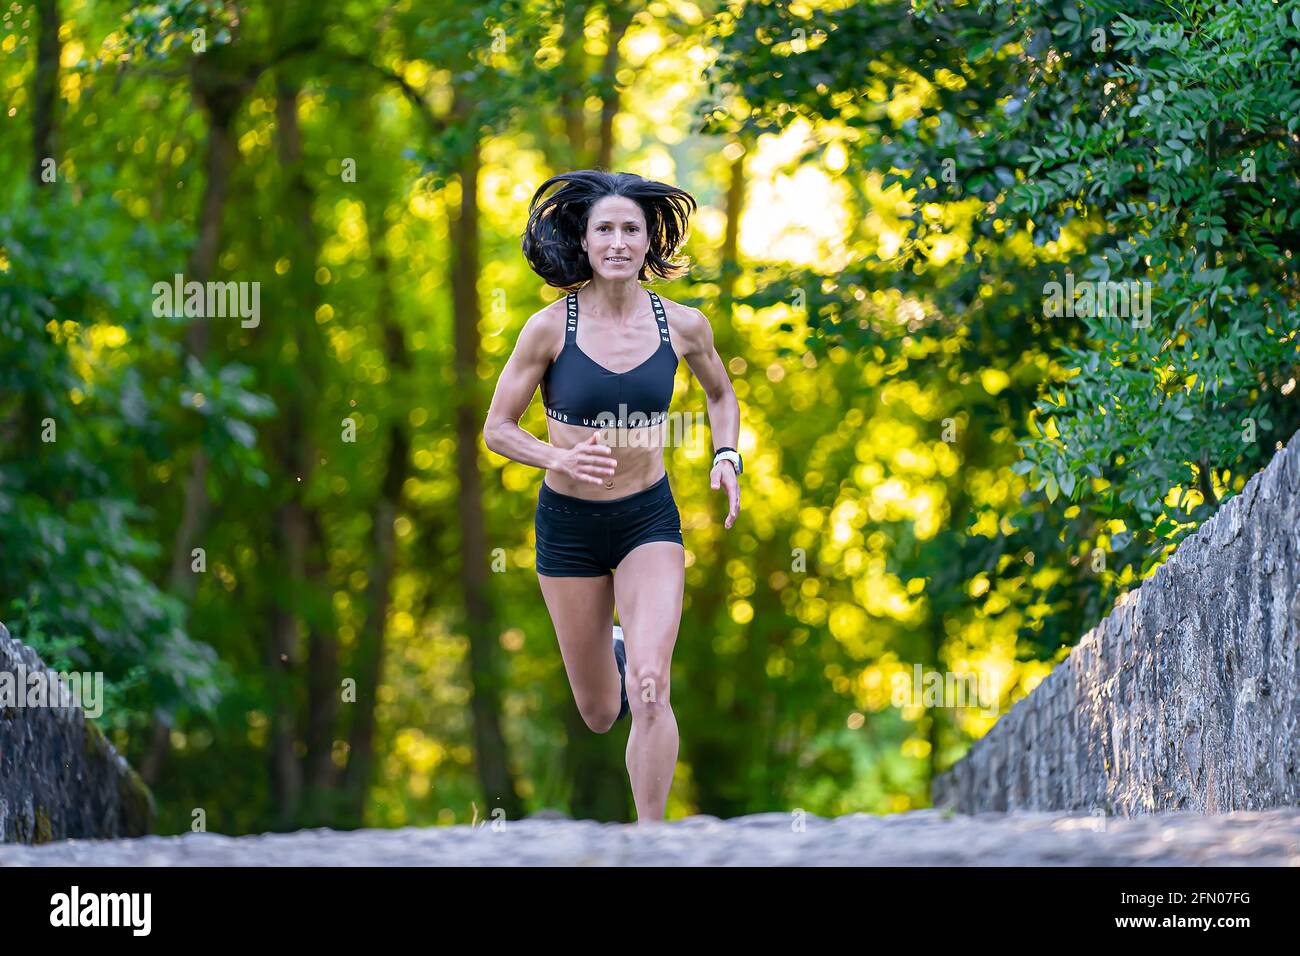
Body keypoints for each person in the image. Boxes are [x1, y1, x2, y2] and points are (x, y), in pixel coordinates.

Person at [482, 169, 742, 822]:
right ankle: (618, 648)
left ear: (648, 240)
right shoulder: (547, 329)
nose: (619, 242)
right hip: (567, 526)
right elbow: (497, 429)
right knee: (600, 712)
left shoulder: (684, 326)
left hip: (646, 518)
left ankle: (654, 845)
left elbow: (720, 393)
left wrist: (726, 455)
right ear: (587, 242)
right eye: (606, 230)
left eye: (631, 229)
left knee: (652, 688)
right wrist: (557, 454)